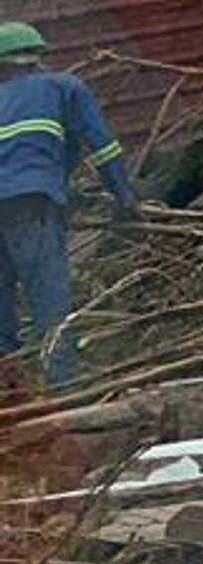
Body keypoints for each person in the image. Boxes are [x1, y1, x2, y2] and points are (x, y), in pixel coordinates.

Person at [0, 22, 136, 386]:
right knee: (48, 295)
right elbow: (103, 145)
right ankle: (64, 385)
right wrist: (125, 198)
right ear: (38, 58)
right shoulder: (64, 87)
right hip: (32, 205)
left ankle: (9, 389)